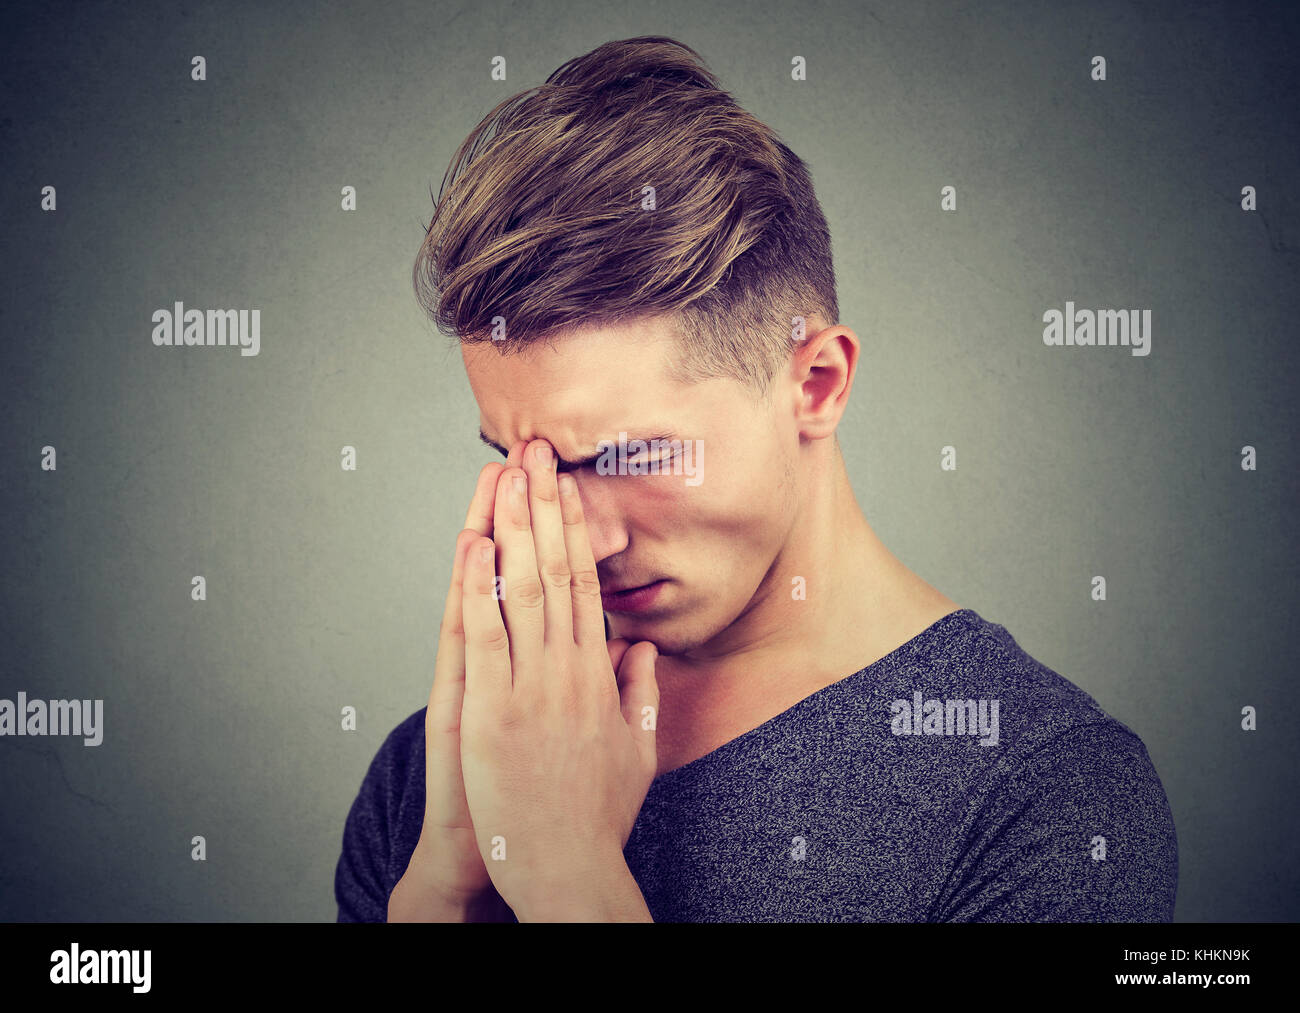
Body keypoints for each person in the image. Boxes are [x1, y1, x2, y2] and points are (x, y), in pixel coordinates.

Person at [335, 36, 1177, 922]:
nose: (577, 540)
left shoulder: (1048, 797)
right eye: (521, 460)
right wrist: (439, 894)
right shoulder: (436, 780)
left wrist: (564, 874)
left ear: (816, 385)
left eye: (628, 456)